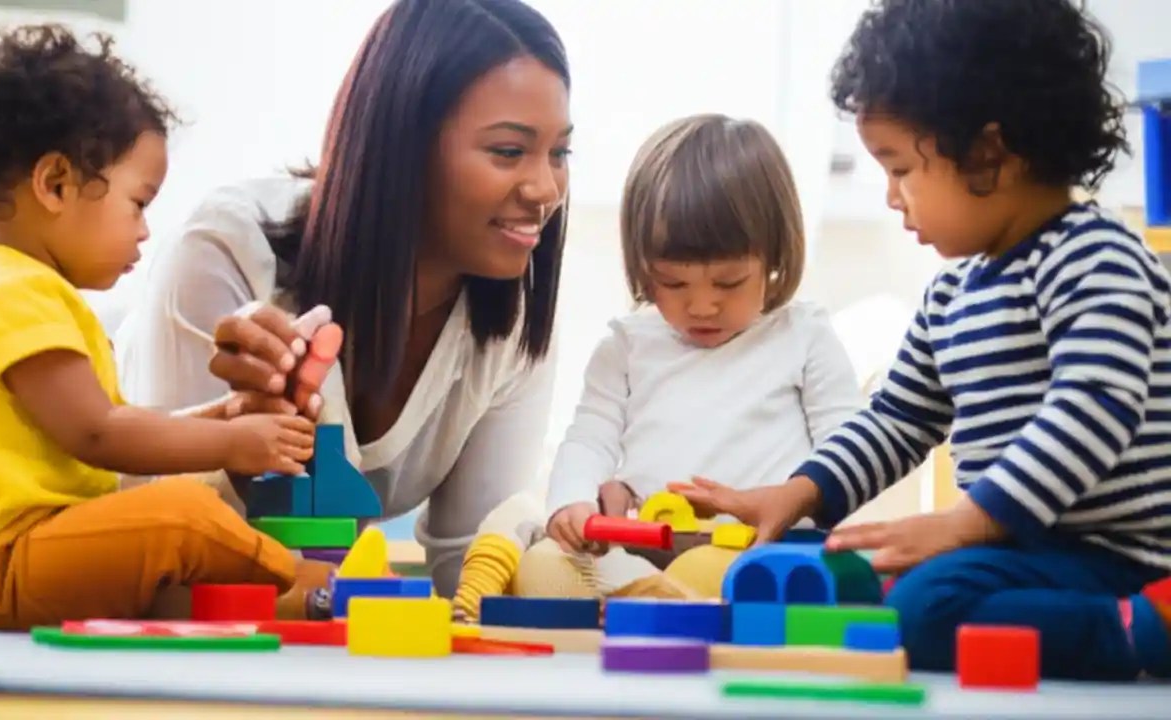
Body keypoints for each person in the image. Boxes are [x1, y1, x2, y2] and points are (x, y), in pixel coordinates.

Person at [672, 0, 1171, 681]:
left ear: (989, 154)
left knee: (928, 608)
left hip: (1114, 557)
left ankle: (1143, 627)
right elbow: (898, 418)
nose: (890, 197)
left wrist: (967, 522)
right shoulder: (953, 293)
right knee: (844, 566)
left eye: (900, 168)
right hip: (1014, 552)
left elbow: (1092, 407)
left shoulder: (1098, 258)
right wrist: (801, 492)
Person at [114, 0, 572, 596]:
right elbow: (180, 532)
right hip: (124, 577)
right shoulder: (229, 252)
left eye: (560, 152)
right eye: (509, 152)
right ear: (404, 147)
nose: (545, 189)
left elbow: (472, 557)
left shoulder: (513, 313)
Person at [0, 24, 342, 630]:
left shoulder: (36, 295)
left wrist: (221, 418)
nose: (144, 231)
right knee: (182, 514)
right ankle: (318, 585)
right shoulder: (11, 293)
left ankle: (289, 606)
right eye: (138, 203)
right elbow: (102, 435)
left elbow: (112, 431)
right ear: (55, 185)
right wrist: (230, 445)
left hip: (36, 548)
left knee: (173, 578)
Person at [513, 114, 863, 596]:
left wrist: (806, 505)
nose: (701, 306)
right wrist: (572, 503)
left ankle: (668, 596)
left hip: (763, 546)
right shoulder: (627, 346)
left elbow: (847, 445)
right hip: (646, 545)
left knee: (725, 577)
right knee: (541, 569)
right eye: (673, 283)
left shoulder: (803, 336)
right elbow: (589, 438)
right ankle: (659, 593)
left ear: (776, 255)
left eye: (729, 283)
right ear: (641, 266)